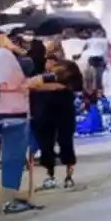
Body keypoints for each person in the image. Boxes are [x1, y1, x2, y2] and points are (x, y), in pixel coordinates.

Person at [0, 25, 58, 214]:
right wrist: (36, 81)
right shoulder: (0, 55)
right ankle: (11, 199)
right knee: (13, 158)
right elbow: (12, 83)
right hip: (11, 110)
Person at [32, 51, 83, 190]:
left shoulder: (64, 75)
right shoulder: (44, 79)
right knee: (48, 146)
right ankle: (54, 175)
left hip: (55, 112)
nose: (49, 64)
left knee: (63, 143)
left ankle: (65, 176)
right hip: (46, 113)